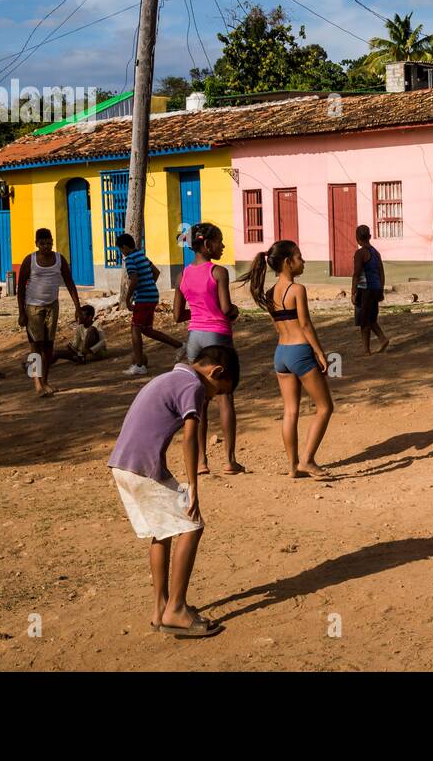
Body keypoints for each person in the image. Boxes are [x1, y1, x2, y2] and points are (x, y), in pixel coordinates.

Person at [107, 344, 239, 638]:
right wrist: (193, 487)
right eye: (217, 391)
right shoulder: (192, 386)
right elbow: (190, 439)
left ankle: (160, 609)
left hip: (123, 465)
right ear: (215, 372)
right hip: (142, 468)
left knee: (164, 530)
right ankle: (176, 610)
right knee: (192, 525)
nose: (212, 398)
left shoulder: (172, 377)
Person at [245, 239, 334, 479]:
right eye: (299, 257)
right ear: (288, 262)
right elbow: (305, 324)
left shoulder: (270, 293)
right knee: (325, 407)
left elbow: (278, 326)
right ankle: (307, 460)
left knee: (290, 411)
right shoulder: (297, 290)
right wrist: (320, 352)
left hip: (281, 353)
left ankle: (292, 465)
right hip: (300, 352)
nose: (303, 261)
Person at [173, 222, 243, 475]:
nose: (222, 246)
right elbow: (225, 309)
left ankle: (201, 462)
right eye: (219, 241)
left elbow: (177, 314)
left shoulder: (183, 275)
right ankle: (230, 460)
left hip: (194, 337)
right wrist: (234, 311)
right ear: (206, 244)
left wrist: (200, 311)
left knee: (199, 400)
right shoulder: (218, 272)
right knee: (225, 395)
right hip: (217, 336)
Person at [17, 228, 82, 397]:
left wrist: (77, 307)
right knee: (35, 347)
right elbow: (21, 287)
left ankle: (45, 381)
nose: (46, 246)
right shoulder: (29, 260)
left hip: (52, 306)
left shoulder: (59, 259)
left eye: (49, 243)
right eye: (42, 243)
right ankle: (37, 383)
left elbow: (69, 283)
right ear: (36, 244)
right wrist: (21, 313)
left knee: (48, 347)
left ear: (52, 242)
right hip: (32, 308)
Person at [118, 233, 183, 375]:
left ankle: (139, 365)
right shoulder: (141, 255)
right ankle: (179, 345)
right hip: (152, 295)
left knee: (135, 328)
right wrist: (149, 284)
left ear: (124, 247)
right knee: (147, 330)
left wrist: (127, 299)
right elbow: (156, 272)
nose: (121, 253)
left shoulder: (129, 260)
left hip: (143, 298)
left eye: (120, 250)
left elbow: (134, 280)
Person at [351, 224, 389, 354]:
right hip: (376, 288)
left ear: (357, 238)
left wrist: (353, 292)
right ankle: (382, 339)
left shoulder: (360, 253)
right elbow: (381, 273)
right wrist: (381, 289)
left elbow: (356, 274)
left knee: (363, 320)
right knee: (371, 318)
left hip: (364, 289)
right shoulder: (375, 253)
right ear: (370, 237)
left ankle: (366, 350)